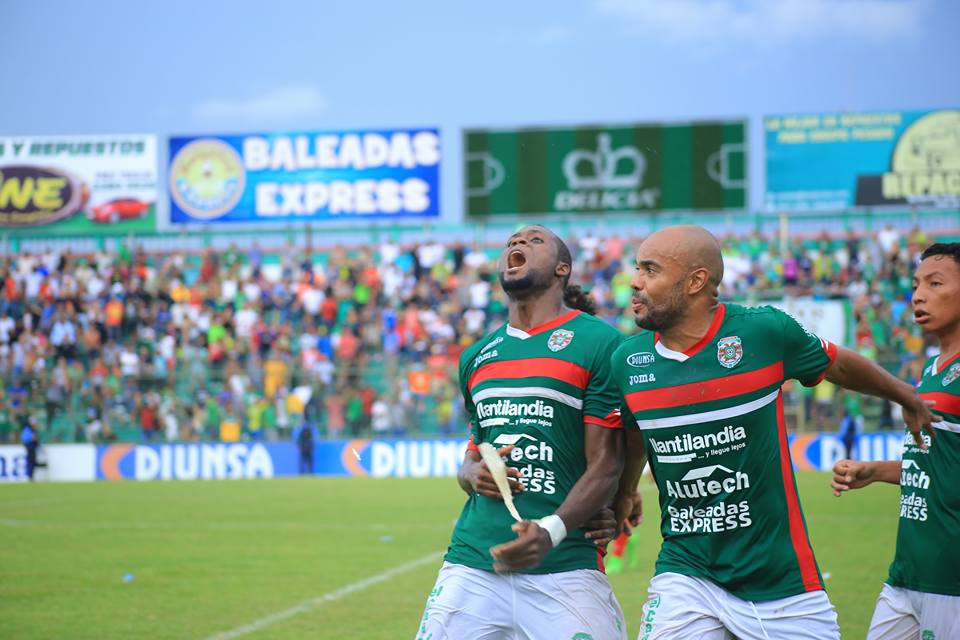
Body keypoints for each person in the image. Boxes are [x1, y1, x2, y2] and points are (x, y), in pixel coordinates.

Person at [609, 225, 938, 640]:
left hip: (783, 585)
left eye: (650, 270)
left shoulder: (762, 333)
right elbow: (637, 433)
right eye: (637, 268)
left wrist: (904, 395)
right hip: (687, 572)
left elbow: (836, 363)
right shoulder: (628, 361)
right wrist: (625, 491)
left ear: (695, 282)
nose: (635, 281)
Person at [416, 225, 627, 640]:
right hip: (473, 562)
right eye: (512, 240)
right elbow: (475, 451)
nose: (516, 244)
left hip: (565, 564)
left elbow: (607, 463)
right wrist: (469, 474)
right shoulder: (477, 356)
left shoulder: (600, 343)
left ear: (562, 269)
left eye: (534, 241)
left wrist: (552, 530)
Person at [831, 242, 959, 640]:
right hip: (906, 575)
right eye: (917, 284)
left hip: (950, 581)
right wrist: (877, 471)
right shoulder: (932, 369)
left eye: (935, 283)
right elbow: (940, 465)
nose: (918, 295)